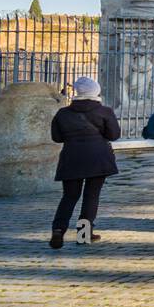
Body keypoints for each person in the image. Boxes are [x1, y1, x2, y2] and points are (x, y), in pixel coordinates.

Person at [49, 76, 121, 249]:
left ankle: (58, 230)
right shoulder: (105, 111)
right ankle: (83, 234)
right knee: (91, 196)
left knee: (69, 196)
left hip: (72, 158)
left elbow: (56, 138)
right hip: (98, 158)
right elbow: (114, 135)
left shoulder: (63, 113)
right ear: (95, 91)